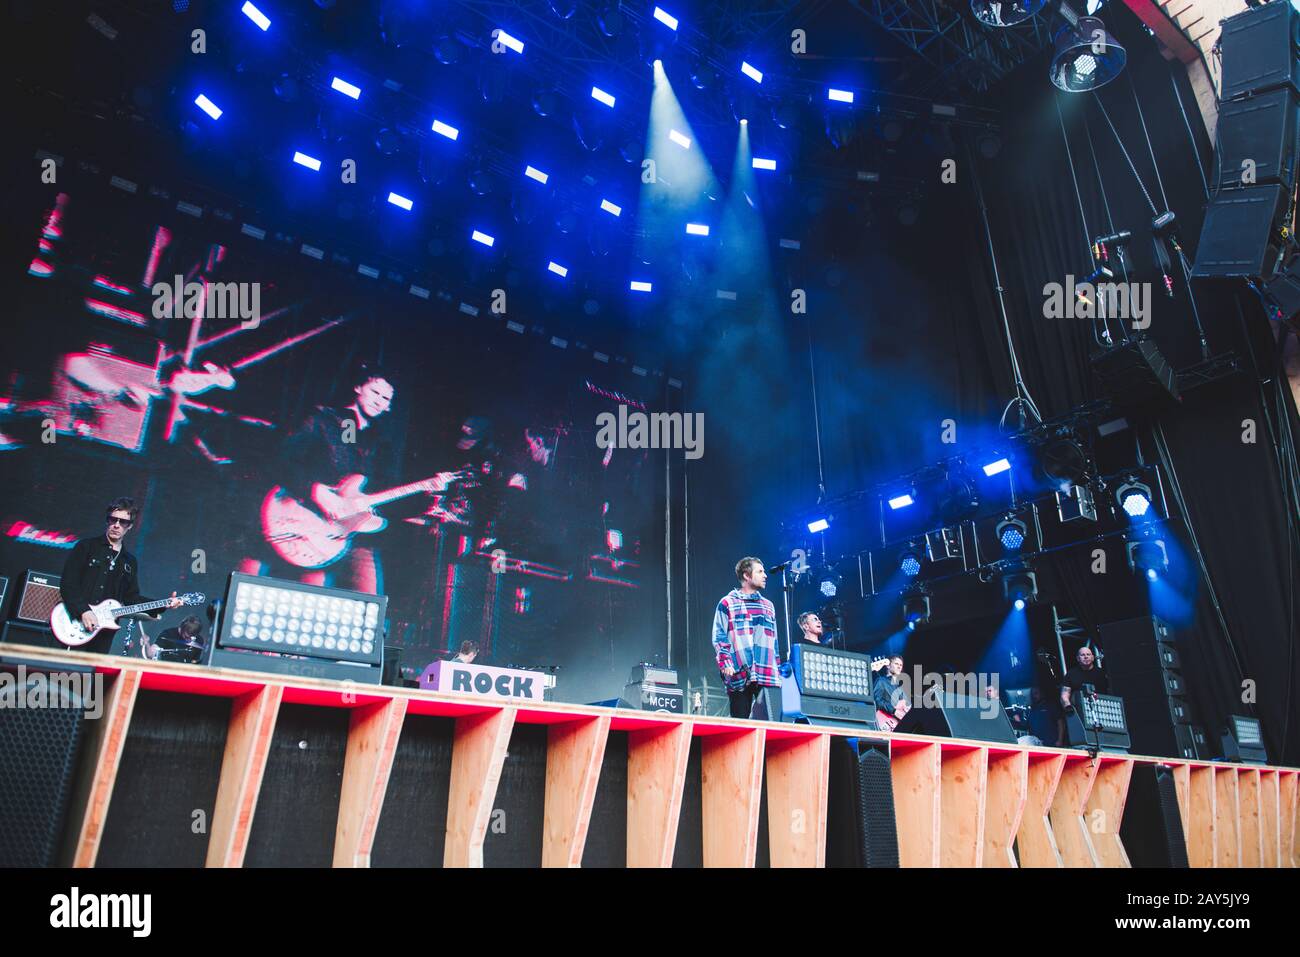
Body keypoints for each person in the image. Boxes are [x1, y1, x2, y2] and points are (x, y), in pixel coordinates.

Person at [60, 497, 182, 654]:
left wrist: (164, 603)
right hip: (77, 622)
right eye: (113, 520)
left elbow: (132, 599)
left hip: (104, 632)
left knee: (94, 676)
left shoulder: (129, 562)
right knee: (68, 675)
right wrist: (83, 610)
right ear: (107, 520)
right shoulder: (86, 547)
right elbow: (68, 584)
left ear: (129, 526)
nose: (117, 525)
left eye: (123, 522)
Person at [712, 557, 782, 720]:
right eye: (760, 571)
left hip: (766, 672)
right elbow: (719, 634)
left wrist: (777, 669)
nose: (765, 575)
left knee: (770, 723)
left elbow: (774, 641)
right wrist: (725, 661)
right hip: (739, 671)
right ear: (746, 575)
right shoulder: (727, 603)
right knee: (741, 724)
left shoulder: (768, 605)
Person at [1060, 644, 1108, 711]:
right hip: (1081, 709)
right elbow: (1064, 695)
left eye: (1088, 654)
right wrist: (1068, 707)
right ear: (1078, 658)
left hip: (1103, 708)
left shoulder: (1101, 673)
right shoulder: (1071, 674)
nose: (1086, 657)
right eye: (1082, 655)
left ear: (1093, 657)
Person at [872, 655, 910, 730]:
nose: (899, 667)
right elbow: (876, 701)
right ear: (888, 666)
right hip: (884, 722)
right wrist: (894, 710)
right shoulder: (881, 681)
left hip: (897, 725)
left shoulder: (901, 688)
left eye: (901, 665)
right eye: (896, 664)